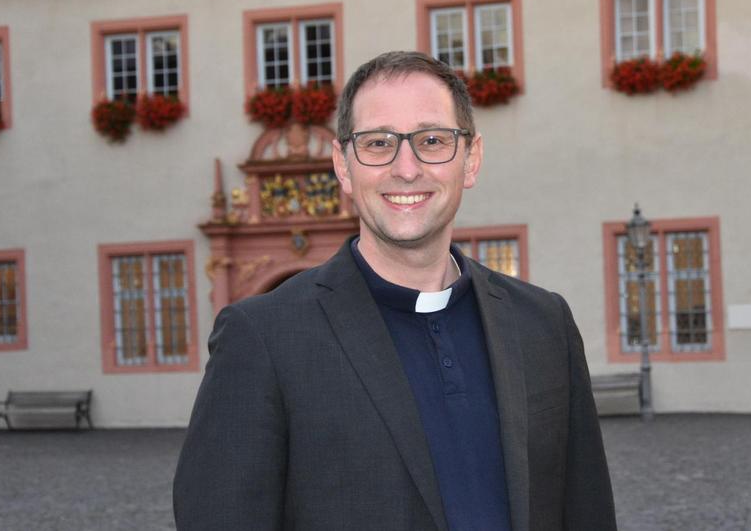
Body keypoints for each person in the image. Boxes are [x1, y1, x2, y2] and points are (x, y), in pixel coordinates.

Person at [173, 51, 617, 530]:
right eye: (378, 143)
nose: (407, 168)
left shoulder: (543, 323)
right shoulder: (264, 338)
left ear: (471, 160)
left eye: (432, 140)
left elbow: (586, 511)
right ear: (343, 167)